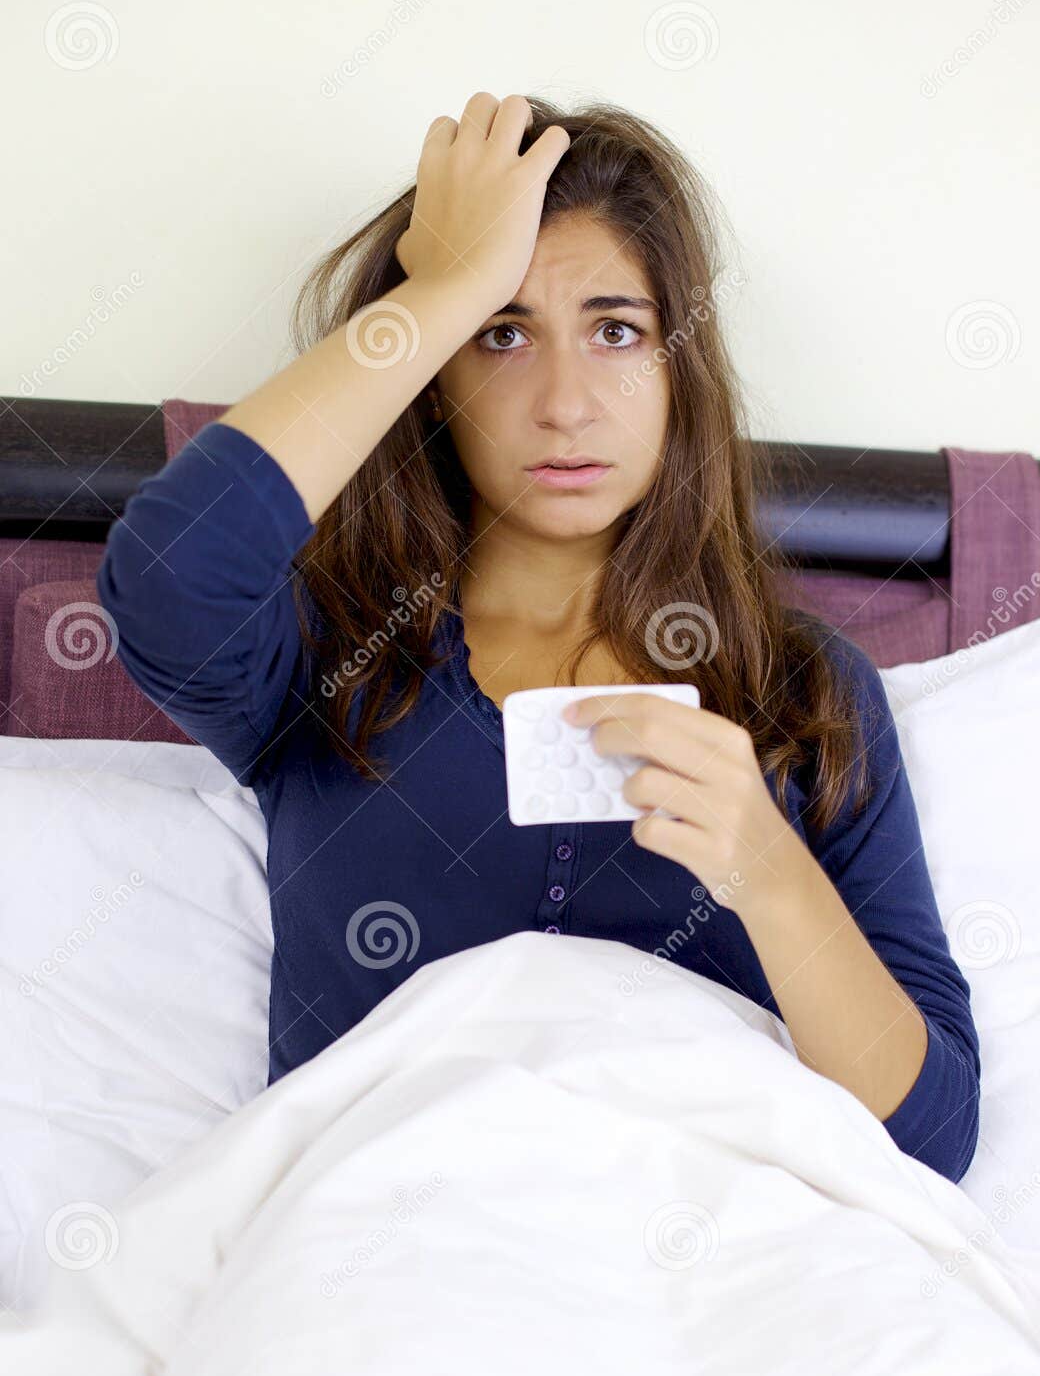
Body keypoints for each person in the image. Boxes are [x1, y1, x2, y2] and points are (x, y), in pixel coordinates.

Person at [96, 90, 979, 1182]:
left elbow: (927, 1141)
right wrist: (443, 286)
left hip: (723, 1271)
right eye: (501, 335)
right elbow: (173, 567)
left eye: (617, 331)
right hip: (382, 1254)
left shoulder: (802, 689)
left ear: (678, 366)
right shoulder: (328, 657)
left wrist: (768, 867)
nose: (565, 403)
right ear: (432, 379)